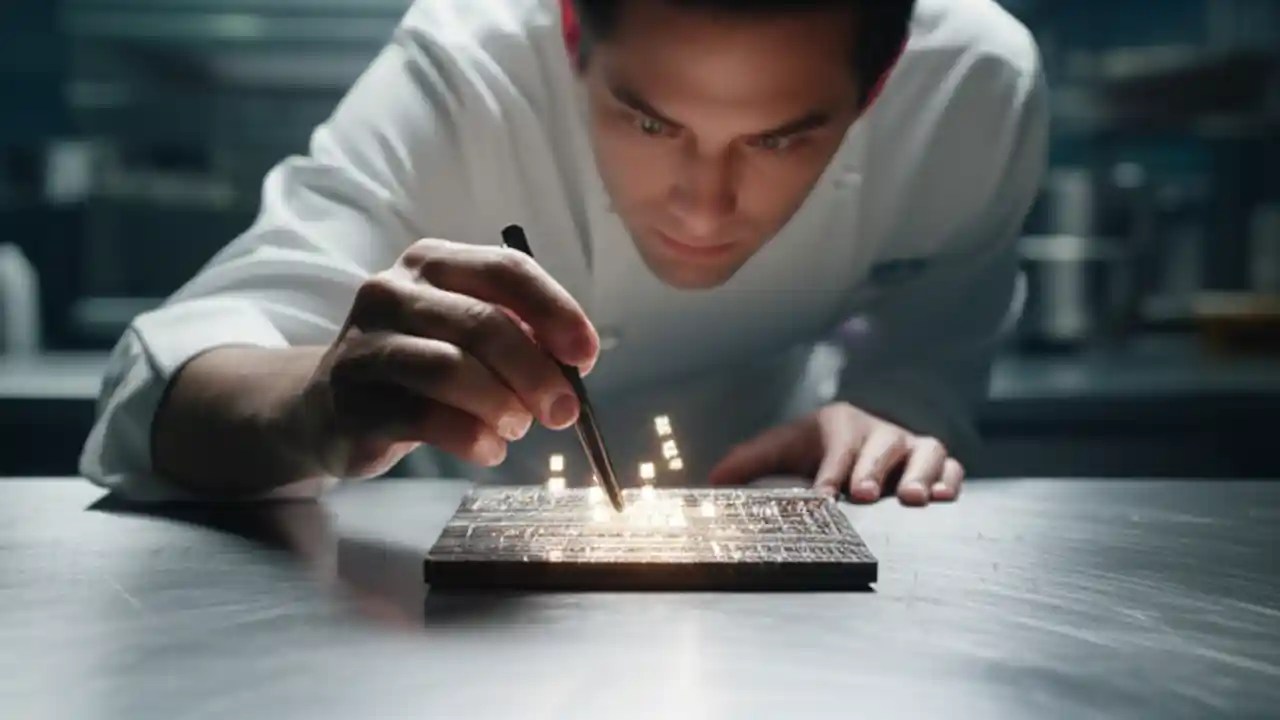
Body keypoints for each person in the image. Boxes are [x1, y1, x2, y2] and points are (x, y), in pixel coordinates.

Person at [80, 0, 1048, 506]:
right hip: (444, 616)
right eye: (647, 120)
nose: (704, 209)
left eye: (779, 138)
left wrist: (876, 431)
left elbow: (927, 367)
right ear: (570, 29)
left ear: (879, 84)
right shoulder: (467, 76)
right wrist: (316, 402)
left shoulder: (970, 94)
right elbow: (148, 396)